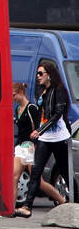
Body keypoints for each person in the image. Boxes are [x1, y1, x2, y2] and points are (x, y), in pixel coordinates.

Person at [17, 60, 72, 217]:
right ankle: (27, 207)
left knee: (65, 171)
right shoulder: (42, 92)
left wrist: (39, 131)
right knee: (36, 171)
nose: (38, 76)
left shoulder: (58, 90)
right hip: (46, 138)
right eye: (37, 74)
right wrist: (38, 133)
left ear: (49, 75)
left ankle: (75, 203)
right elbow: (41, 115)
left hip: (59, 137)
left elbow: (56, 114)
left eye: (41, 73)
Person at [11, 81, 64, 210]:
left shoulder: (32, 108)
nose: (13, 99)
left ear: (21, 93)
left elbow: (37, 128)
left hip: (30, 146)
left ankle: (61, 200)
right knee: (14, 177)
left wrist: (35, 146)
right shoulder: (17, 109)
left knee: (38, 181)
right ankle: (11, 209)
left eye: (14, 95)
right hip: (20, 146)